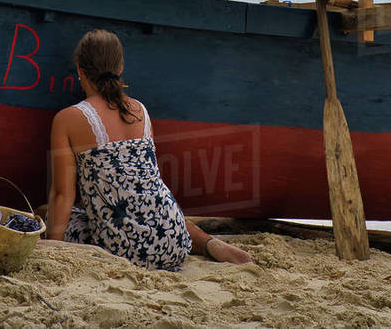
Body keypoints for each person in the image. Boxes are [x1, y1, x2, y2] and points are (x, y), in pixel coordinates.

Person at [44, 28, 252, 270]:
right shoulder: (141, 111)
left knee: (50, 215)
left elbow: (62, 194)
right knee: (150, 205)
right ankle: (208, 244)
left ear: (80, 71)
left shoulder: (68, 118)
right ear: (120, 68)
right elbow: (143, 188)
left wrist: (52, 248)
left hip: (124, 251)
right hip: (174, 238)